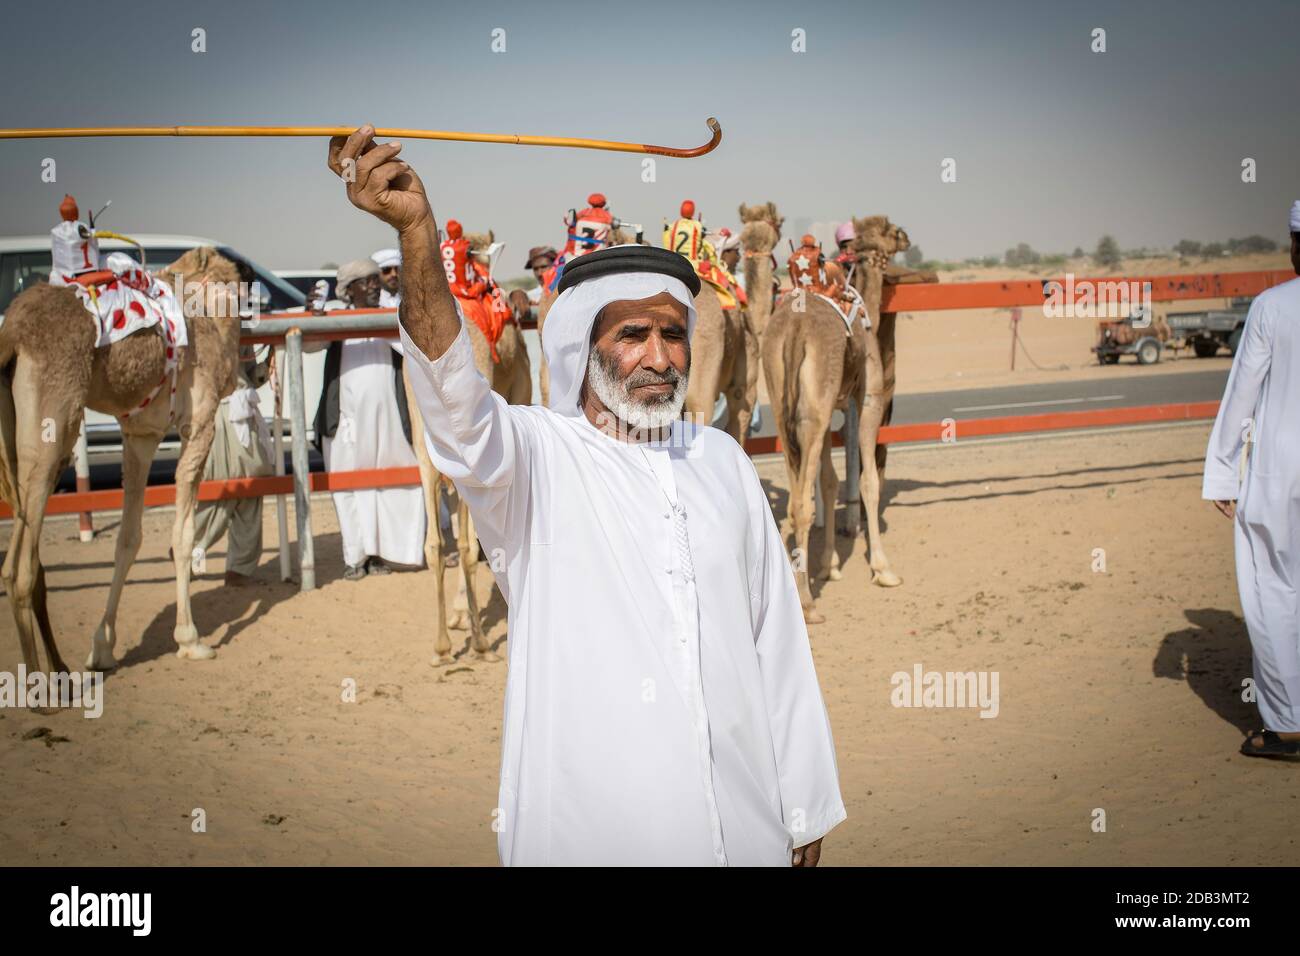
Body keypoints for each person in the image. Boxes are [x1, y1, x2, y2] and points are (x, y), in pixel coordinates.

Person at [328, 125, 846, 866]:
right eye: (633, 334)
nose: (661, 357)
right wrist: (416, 236)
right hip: (589, 834)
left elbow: (778, 643)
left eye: (673, 334)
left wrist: (803, 806)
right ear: (580, 347)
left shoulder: (723, 461)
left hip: (746, 824)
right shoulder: (537, 460)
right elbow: (453, 405)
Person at [1202, 200, 1300, 759]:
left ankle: (1287, 725)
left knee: (1273, 588)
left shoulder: (1270, 307)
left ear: (1294, 245)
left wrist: (1222, 471)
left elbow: (1243, 391)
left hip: (1279, 468)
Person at [312, 257, 426, 580]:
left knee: (390, 483)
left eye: (376, 280)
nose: (375, 285)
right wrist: (315, 314)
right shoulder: (335, 319)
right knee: (348, 487)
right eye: (366, 281)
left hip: (390, 420)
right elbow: (310, 341)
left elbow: (416, 346)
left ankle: (385, 553)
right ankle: (356, 556)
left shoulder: (392, 317)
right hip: (347, 423)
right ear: (350, 290)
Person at [194, 347, 275, 584]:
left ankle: (240, 568)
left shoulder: (245, 319)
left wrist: (266, 366)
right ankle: (190, 555)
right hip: (214, 411)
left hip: (242, 411)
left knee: (251, 489)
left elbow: (248, 374)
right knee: (217, 491)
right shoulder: (199, 316)